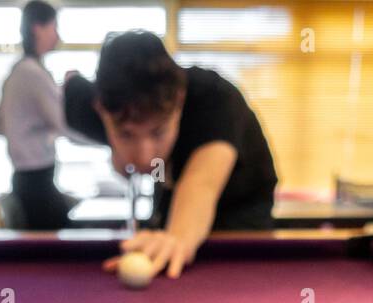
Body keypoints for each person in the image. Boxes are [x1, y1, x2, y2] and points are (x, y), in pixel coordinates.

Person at [65, 30, 278, 279]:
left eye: (157, 133)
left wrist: (177, 237)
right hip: (170, 202)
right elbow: (68, 85)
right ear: (100, 109)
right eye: (126, 135)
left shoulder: (215, 99)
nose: (145, 157)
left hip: (240, 219)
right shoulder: (88, 105)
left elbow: (202, 184)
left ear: (179, 100)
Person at [0, 2, 77, 230]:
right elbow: (64, 123)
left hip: (23, 180)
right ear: (38, 28)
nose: (57, 35)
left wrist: (29, 126)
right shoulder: (32, 74)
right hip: (37, 181)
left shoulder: (16, 71)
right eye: (54, 27)